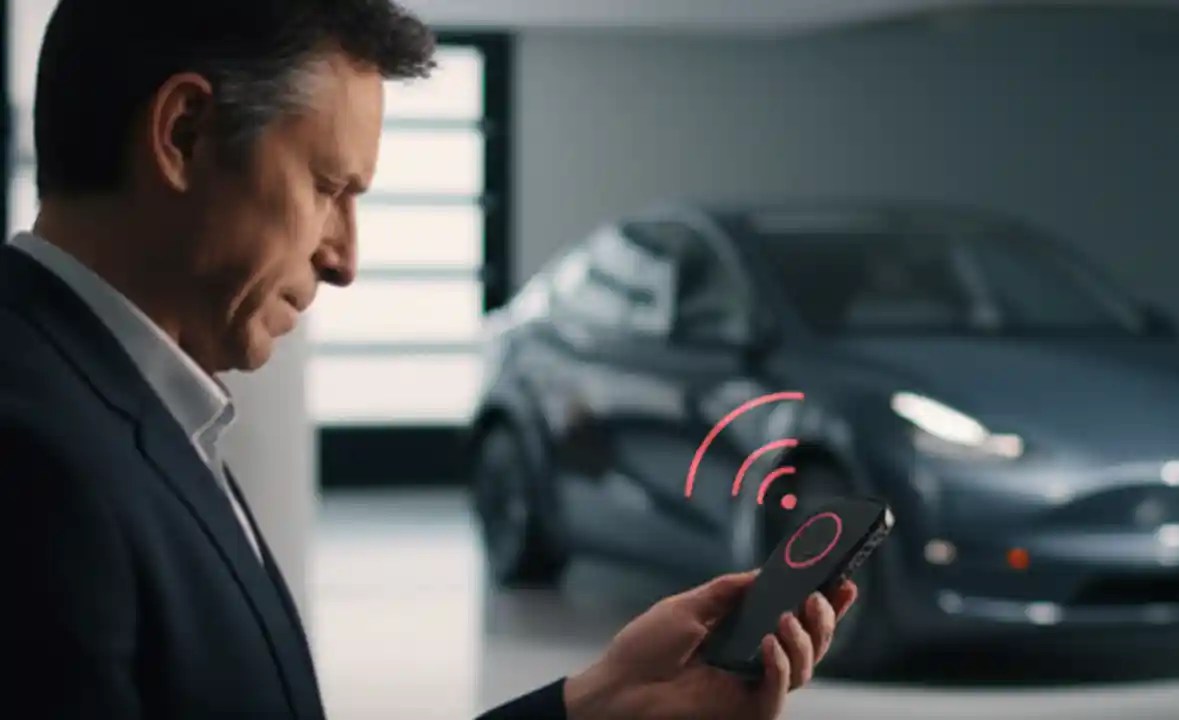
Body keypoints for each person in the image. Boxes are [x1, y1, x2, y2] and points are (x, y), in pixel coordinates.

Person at [0, 1, 859, 718]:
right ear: (183, 134)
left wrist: (601, 702)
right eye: (328, 189)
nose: (345, 259)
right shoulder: (34, 463)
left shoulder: (128, 404)